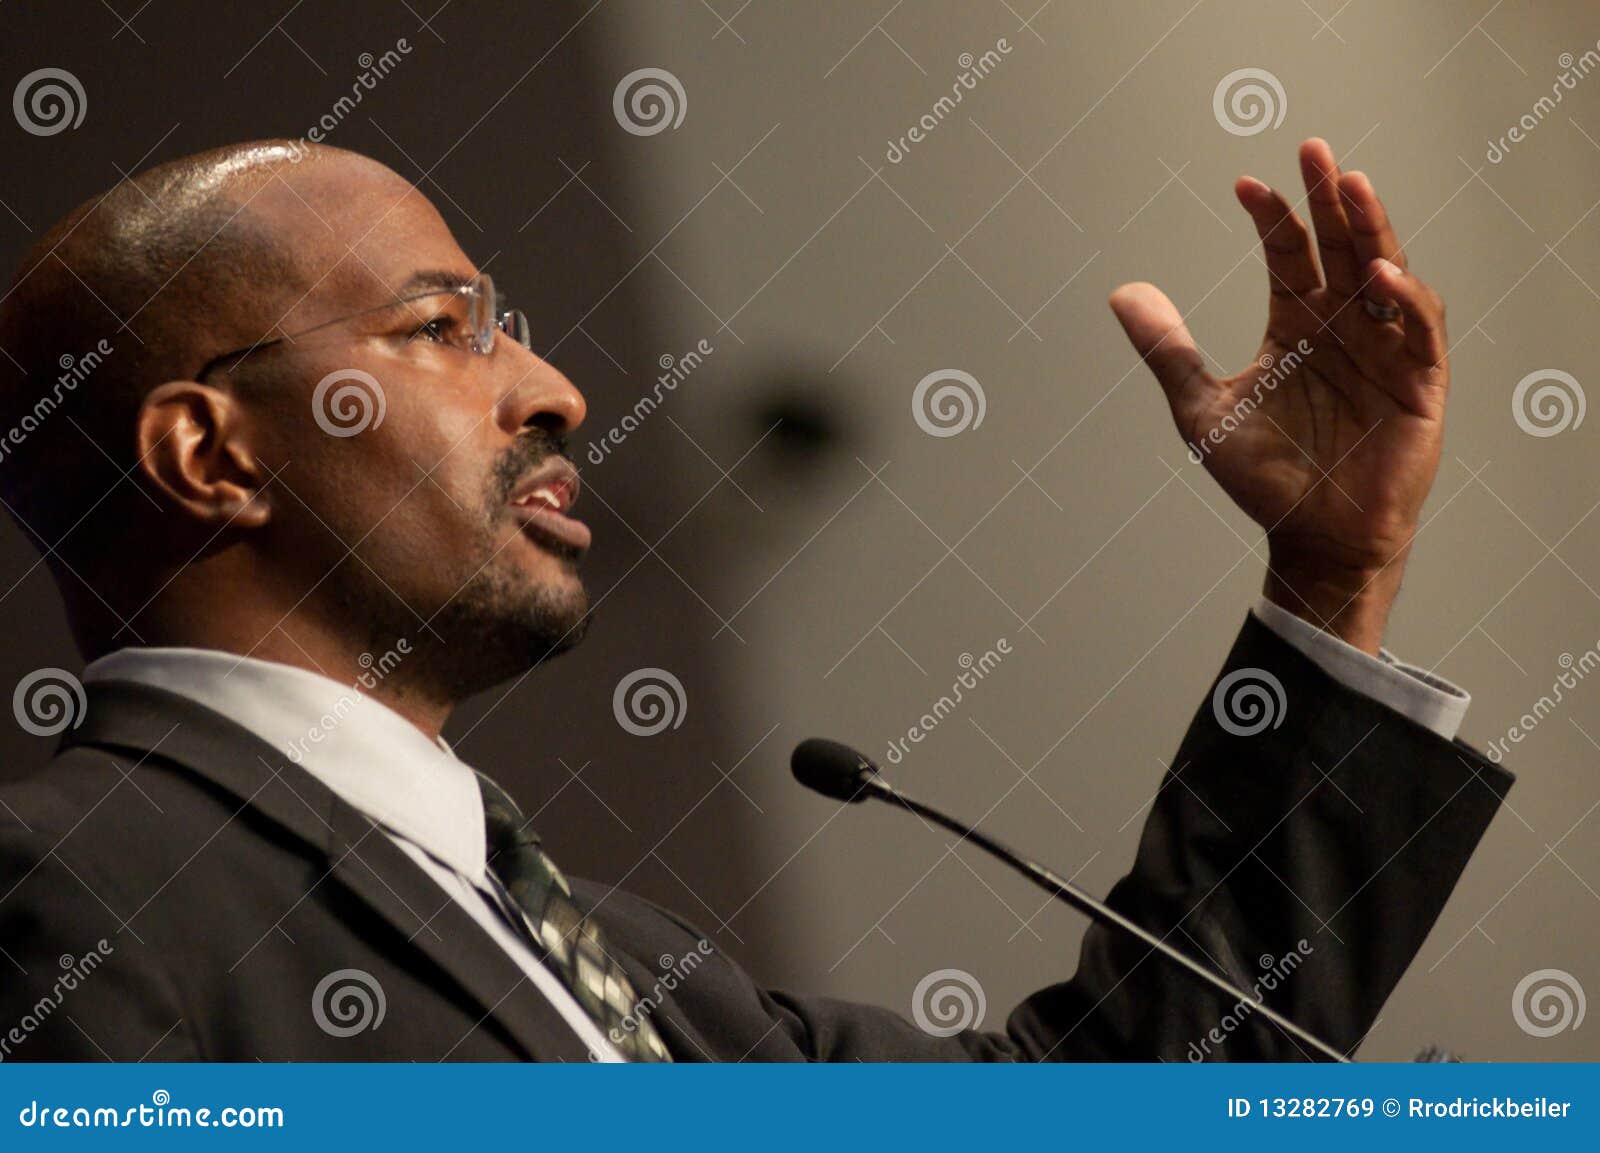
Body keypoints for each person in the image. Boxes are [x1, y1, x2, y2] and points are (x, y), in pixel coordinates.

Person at [0, 137, 1508, 1061]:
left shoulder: (623, 966)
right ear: (214, 453)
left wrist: (1331, 576)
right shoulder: (63, 896)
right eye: (440, 327)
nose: (554, 387)